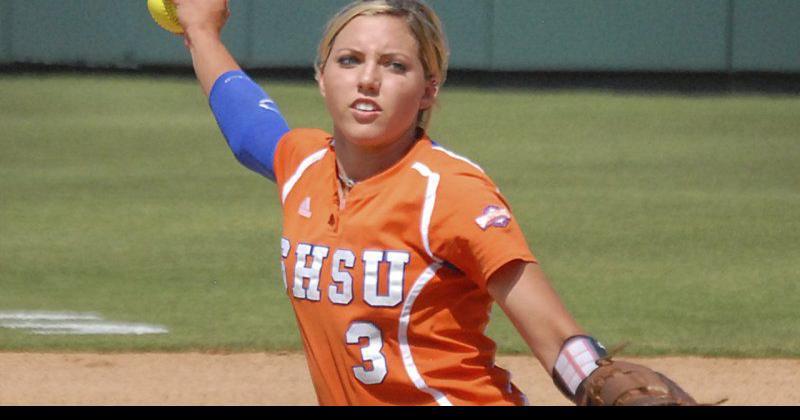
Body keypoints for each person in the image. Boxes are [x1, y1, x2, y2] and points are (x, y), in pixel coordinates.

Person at [170, 0, 696, 406]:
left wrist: (593, 375)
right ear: (321, 76)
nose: (368, 79)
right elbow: (246, 125)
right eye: (349, 60)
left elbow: (552, 332)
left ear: (427, 91)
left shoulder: (450, 190)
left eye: (395, 65)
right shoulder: (303, 164)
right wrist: (200, 30)